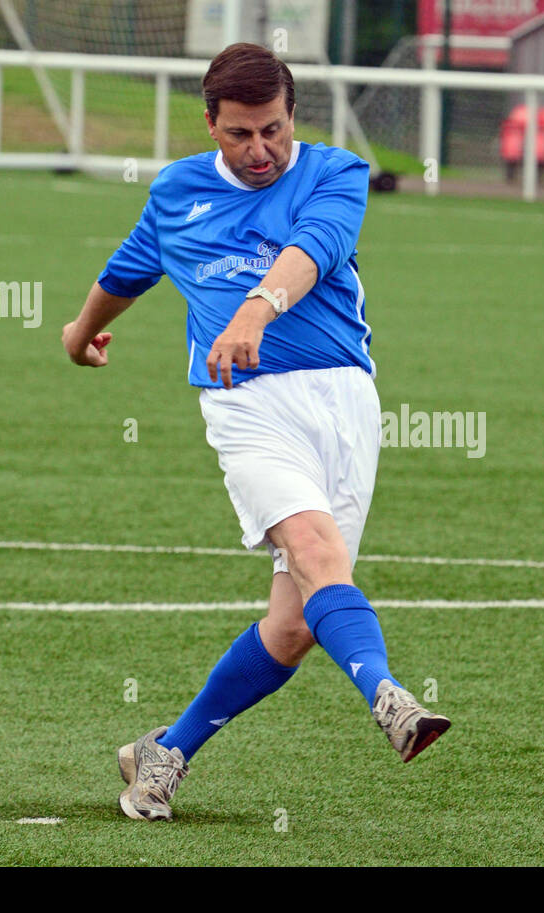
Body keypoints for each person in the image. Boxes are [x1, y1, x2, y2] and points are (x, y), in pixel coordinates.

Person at [61, 43, 450, 822]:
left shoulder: (335, 173)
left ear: (292, 116)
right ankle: (390, 697)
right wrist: (81, 329)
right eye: (240, 133)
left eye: (272, 129)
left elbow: (316, 250)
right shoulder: (176, 193)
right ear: (210, 123)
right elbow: (129, 269)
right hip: (246, 405)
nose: (260, 149)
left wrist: (257, 307)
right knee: (315, 554)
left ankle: (165, 751)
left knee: (299, 621)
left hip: (344, 404)